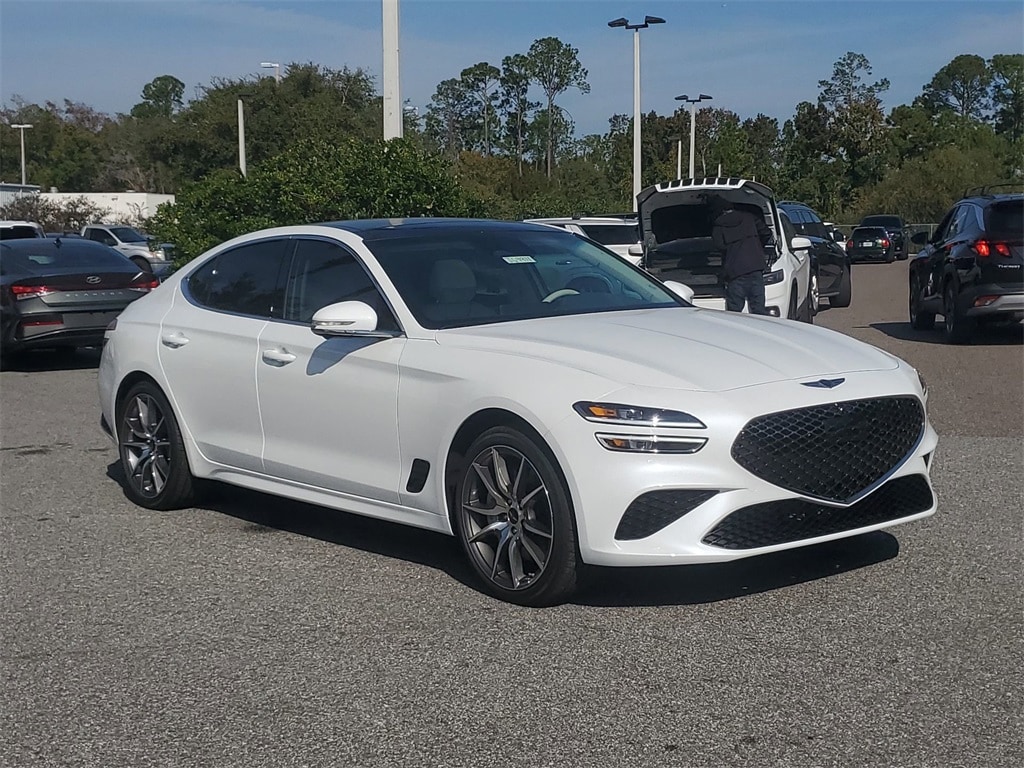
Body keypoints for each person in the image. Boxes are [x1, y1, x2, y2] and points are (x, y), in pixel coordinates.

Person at [708, 194, 775, 315]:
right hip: (755, 268)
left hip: (735, 273)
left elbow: (719, 246)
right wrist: (756, 247)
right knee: (759, 311)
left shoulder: (719, 226)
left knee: (734, 313)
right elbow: (766, 233)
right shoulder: (749, 218)